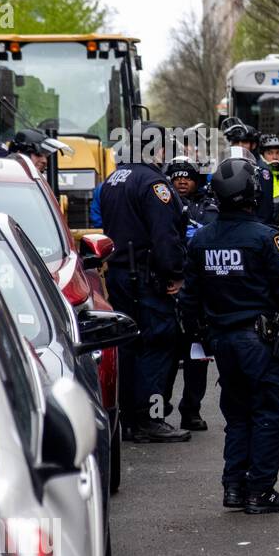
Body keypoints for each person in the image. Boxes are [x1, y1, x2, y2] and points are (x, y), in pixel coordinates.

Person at [179, 156, 279, 512]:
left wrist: (196, 335)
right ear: (253, 193)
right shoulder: (267, 240)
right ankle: (260, 490)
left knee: (238, 413)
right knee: (273, 411)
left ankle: (234, 486)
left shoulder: (201, 240)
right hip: (259, 342)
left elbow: (189, 296)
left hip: (222, 341)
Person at [98, 121, 190, 443]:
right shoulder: (154, 183)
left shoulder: (113, 179)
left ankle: (126, 418)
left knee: (128, 346)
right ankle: (151, 418)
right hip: (148, 279)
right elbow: (165, 236)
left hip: (121, 275)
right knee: (158, 343)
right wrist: (174, 274)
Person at [163, 157, 218, 431]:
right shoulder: (162, 205)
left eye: (187, 177)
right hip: (168, 290)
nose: (182, 181)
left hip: (200, 292)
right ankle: (158, 409)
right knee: (167, 356)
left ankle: (191, 410)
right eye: (176, 177)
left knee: (198, 357)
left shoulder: (210, 208)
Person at [222, 117, 274, 226]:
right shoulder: (225, 166)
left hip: (253, 227)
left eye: (244, 142)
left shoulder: (261, 170)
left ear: (253, 145)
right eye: (236, 142)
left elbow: (265, 210)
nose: (240, 146)